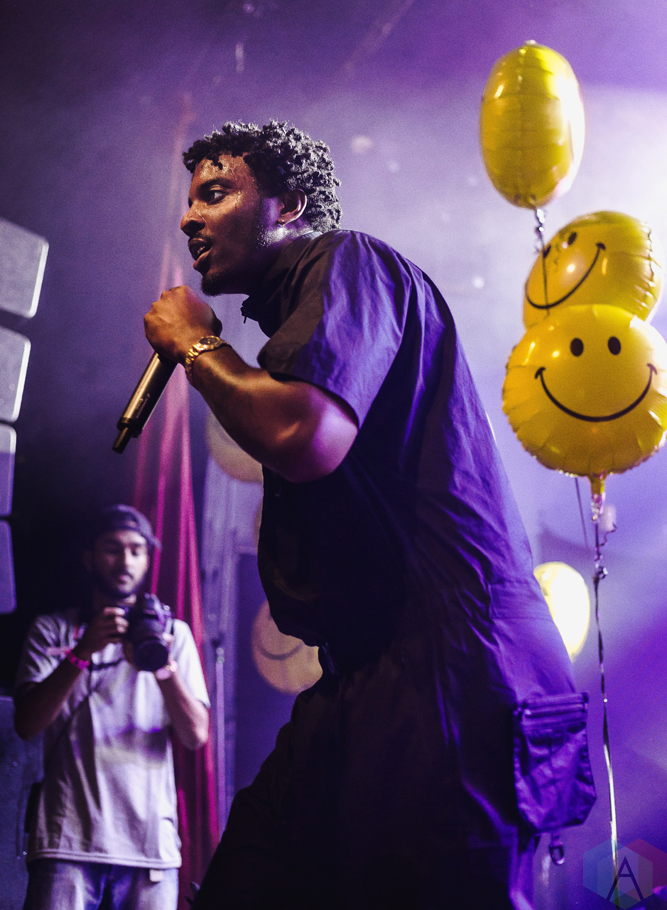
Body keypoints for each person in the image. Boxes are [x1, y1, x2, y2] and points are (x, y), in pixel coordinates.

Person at [144, 121, 594, 909]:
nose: (189, 219)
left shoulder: (351, 261)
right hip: (365, 673)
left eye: (215, 193)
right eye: (191, 202)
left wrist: (193, 345)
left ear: (290, 205)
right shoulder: (301, 309)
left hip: (451, 667)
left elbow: (301, 434)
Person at [14, 504, 210, 910]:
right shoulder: (53, 630)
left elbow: (196, 736)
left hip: (149, 846)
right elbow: (27, 724)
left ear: (148, 558)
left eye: (137, 550)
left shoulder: (174, 634)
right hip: (66, 841)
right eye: (113, 548)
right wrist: (82, 651)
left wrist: (163, 668)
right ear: (89, 558)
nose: (125, 560)